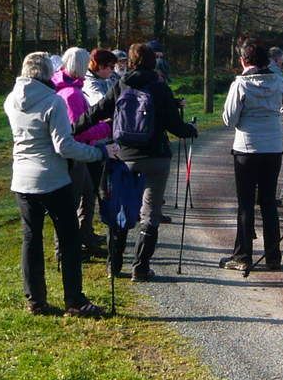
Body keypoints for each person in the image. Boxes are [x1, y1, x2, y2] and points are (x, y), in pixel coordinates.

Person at [75, 42, 198, 281]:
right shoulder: (160, 87)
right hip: (156, 157)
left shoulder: (121, 85)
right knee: (150, 214)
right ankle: (141, 267)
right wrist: (190, 129)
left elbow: (97, 112)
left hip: (124, 157)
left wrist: (72, 129)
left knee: (120, 210)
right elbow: (175, 126)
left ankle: (114, 264)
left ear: (129, 62)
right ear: (154, 62)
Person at [5, 51, 115, 318]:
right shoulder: (53, 102)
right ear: (46, 73)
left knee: (31, 239)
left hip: (21, 178)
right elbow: (64, 146)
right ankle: (75, 300)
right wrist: (99, 153)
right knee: (68, 240)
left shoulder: (11, 100)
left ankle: (35, 300)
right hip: (52, 179)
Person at [220, 40, 283, 273]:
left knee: (245, 204)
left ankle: (243, 256)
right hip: (273, 147)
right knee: (268, 203)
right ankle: (273, 256)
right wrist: (278, 110)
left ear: (243, 60)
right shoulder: (277, 80)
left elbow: (229, 119)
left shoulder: (240, 84)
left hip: (246, 148)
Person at [52, 47, 111, 257]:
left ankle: (85, 238)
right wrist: (106, 128)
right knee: (73, 201)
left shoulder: (70, 88)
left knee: (87, 195)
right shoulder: (71, 94)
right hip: (75, 155)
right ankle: (65, 249)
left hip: (79, 153)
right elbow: (79, 129)